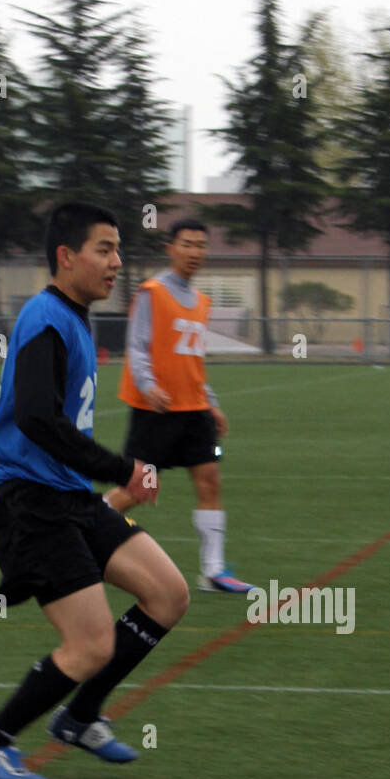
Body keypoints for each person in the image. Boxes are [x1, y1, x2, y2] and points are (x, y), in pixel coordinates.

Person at [0, 201, 189, 779]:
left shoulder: (72, 317)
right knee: (91, 645)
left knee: (168, 595)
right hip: (31, 504)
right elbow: (37, 418)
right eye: (104, 249)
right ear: (66, 256)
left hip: (70, 498)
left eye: (119, 250)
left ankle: (80, 717)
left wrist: (109, 476)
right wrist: (121, 468)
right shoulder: (45, 318)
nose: (117, 262)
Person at [105, 218, 253, 593]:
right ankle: (78, 534)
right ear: (170, 249)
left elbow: (193, 361)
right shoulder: (152, 292)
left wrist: (211, 403)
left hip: (195, 411)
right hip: (156, 412)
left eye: (200, 245)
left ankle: (213, 573)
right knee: (138, 489)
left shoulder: (201, 301)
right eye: (186, 244)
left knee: (210, 481)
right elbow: (137, 346)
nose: (194, 252)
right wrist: (148, 385)